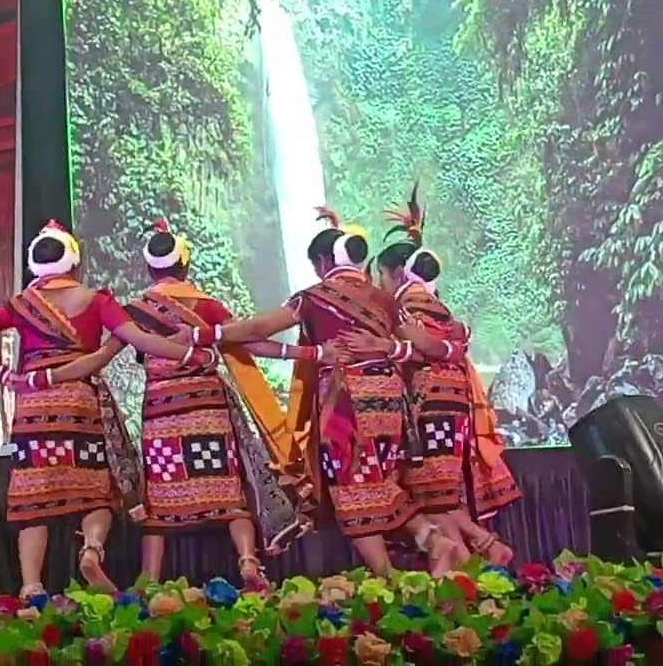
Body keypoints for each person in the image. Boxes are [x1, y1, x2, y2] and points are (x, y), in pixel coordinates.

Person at [178, 207, 458, 577]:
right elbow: (430, 348)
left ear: (326, 261)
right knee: (379, 482)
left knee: (349, 488)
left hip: (346, 402)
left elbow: (260, 327)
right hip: (390, 402)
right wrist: (393, 349)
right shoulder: (384, 299)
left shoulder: (314, 297)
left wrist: (204, 334)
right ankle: (430, 541)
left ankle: (389, 577)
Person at [0, 220, 216, 596]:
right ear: (74, 262)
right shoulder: (96, 300)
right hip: (78, 400)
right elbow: (139, 338)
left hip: (34, 404)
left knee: (33, 498)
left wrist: (1, 374)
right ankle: (91, 549)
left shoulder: (20, 305)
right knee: (98, 489)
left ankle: (30, 586)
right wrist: (191, 354)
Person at [125, 219, 317, 585]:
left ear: (149, 268)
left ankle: (148, 579)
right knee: (229, 487)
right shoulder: (208, 305)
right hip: (206, 408)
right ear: (186, 264)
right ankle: (247, 560)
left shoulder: (135, 310)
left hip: (162, 411)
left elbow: (114, 348)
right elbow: (249, 341)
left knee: (159, 498)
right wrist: (304, 352)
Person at [344, 187, 520, 565]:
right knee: (438, 493)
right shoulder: (437, 304)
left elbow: (427, 348)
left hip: (428, 409)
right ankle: (478, 555)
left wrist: (384, 347)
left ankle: (474, 561)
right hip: (450, 411)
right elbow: (450, 345)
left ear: (395, 273)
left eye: (382, 276)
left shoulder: (408, 305)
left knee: (429, 494)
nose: (381, 285)